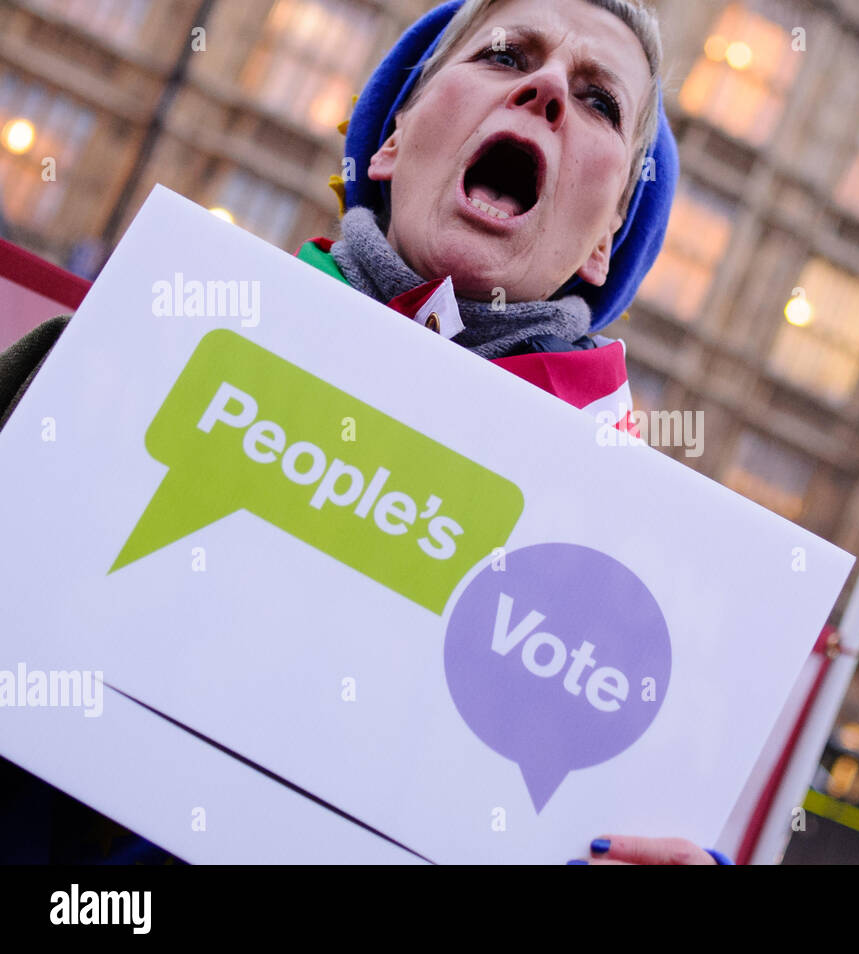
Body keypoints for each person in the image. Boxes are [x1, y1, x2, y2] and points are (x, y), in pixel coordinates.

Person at [0, 0, 731, 865]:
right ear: (389, 143)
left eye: (601, 101)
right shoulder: (108, 369)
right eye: (503, 55)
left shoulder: (641, 595)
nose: (543, 89)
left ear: (608, 238)